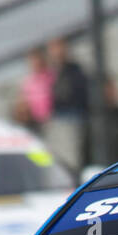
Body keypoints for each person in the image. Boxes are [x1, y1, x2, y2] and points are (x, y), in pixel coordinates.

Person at [47, 38, 89, 169]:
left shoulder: (74, 70)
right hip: (56, 117)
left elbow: (77, 92)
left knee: (72, 156)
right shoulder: (51, 71)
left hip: (72, 116)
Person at [14, 47, 54, 128]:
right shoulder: (28, 81)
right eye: (32, 61)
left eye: (37, 60)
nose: (35, 63)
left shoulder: (52, 77)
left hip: (50, 120)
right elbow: (22, 100)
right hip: (32, 121)